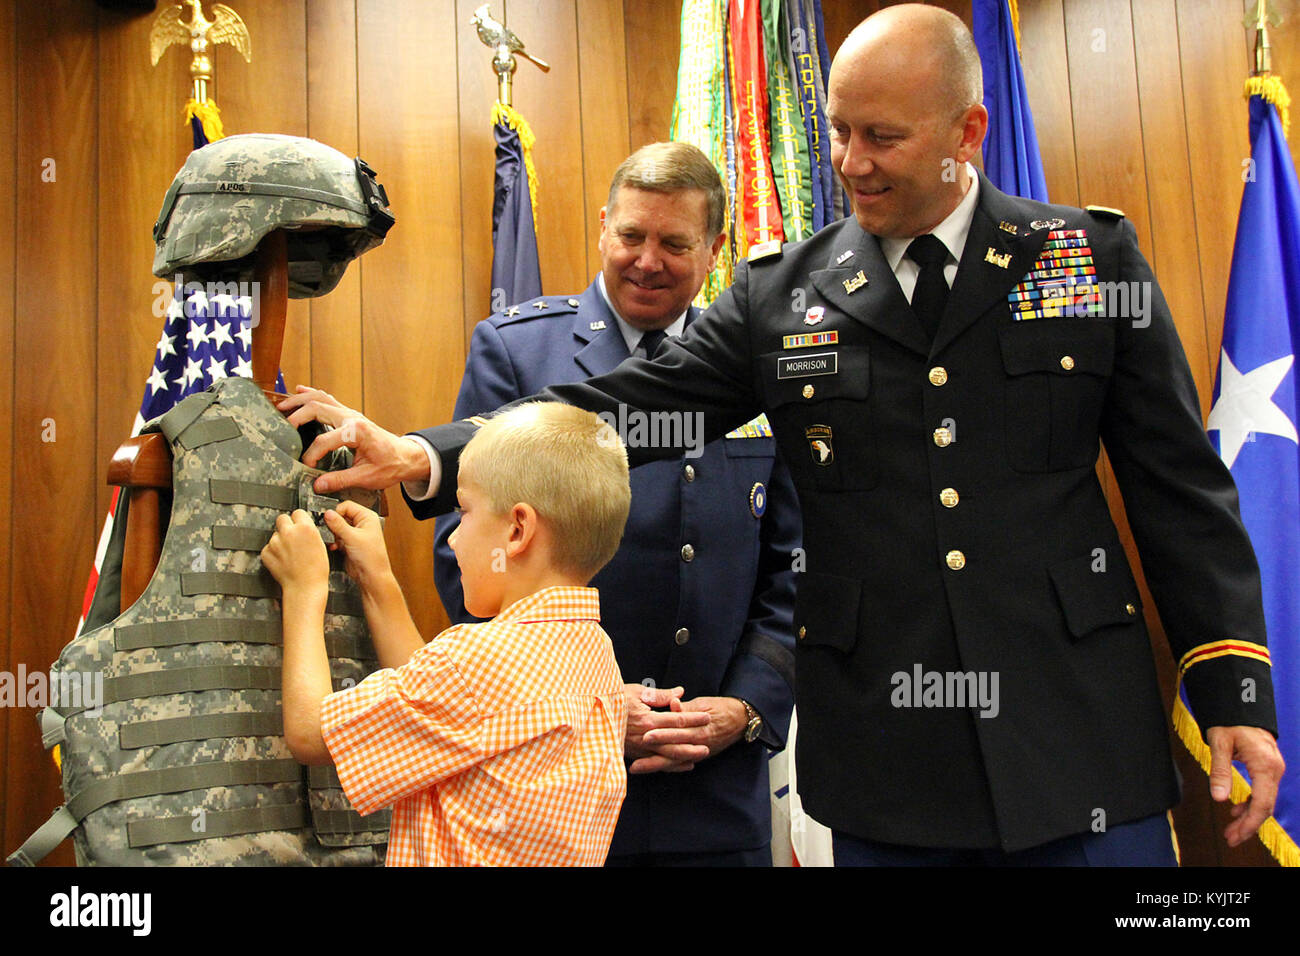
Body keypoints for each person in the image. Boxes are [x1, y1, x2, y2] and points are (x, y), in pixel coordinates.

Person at [281, 4, 1284, 864]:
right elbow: (635, 403)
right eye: (839, 130)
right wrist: (429, 454)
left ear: (968, 130)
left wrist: (1230, 676)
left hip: (1073, 733)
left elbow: (1176, 483)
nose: (849, 163)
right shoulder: (784, 294)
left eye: (881, 138)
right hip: (890, 756)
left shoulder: (1078, 258)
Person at [433, 142, 801, 866]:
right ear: (603, 226)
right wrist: (590, 701)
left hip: (719, 794)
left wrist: (748, 706)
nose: (647, 260)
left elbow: (794, 565)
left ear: (715, 247)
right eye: (631, 235)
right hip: (552, 781)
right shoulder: (518, 356)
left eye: (674, 243)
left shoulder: (758, 370)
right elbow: (467, 563)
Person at [260, 402, 631, 866]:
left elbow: (312, 734)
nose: (453, 538)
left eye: (465, 511)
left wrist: (304, 587)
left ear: (518, 529)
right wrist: (378, 581)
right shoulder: (595, 653)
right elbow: (441, 711)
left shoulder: (473, 663)